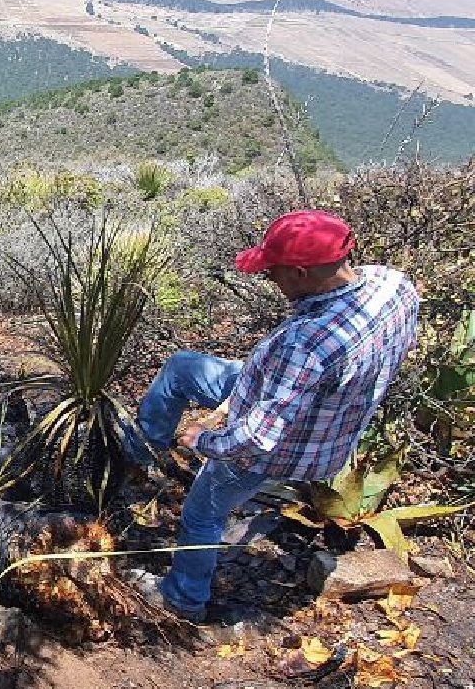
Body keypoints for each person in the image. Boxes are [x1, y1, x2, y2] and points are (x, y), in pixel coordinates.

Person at [127, 210, 419, 621]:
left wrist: (202, 440)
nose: (268, 277)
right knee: (182, 368)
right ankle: (138, 455)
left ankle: (183, 598)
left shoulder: (304, 345)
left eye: (272, 271)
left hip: (284, 448)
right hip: (320, 420)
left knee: (202, 513)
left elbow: (255, 439)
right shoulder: (392, 284)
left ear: (300, 273)